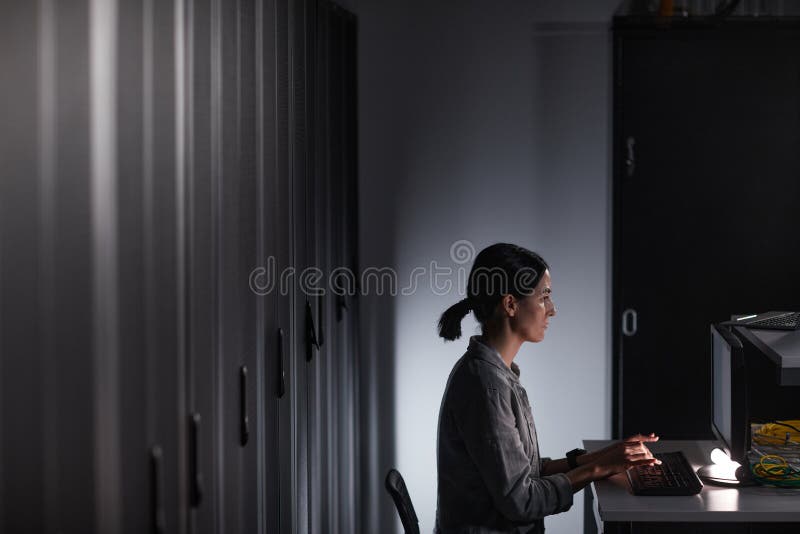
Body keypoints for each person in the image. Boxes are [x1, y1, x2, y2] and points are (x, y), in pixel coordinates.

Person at [434, 243, 660, 534]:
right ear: (510, 304)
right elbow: (521, 500)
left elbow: (521, 472)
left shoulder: (495, 375)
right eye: (544, 297)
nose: (551, 310)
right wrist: (598, 470)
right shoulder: (486, 387)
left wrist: (603, 456)